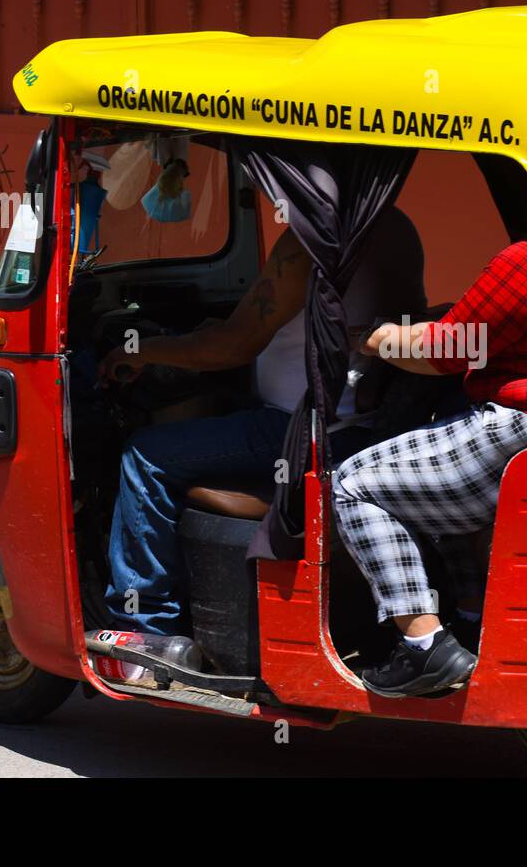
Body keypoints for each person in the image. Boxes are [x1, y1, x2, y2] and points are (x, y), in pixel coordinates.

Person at [97, 206, 425, 637]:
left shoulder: (309, 240)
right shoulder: (395, 224)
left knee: (146, 456)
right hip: (359, 423)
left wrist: (137, 350)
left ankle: (144, 627)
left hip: (298, 430)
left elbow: (232, 347)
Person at [333, 234, 527, 698]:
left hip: (524, 423)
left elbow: (448, 350)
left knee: (352, 482)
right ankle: (469, 622)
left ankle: (424, 643)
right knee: (418, 485)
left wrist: (377, 338)